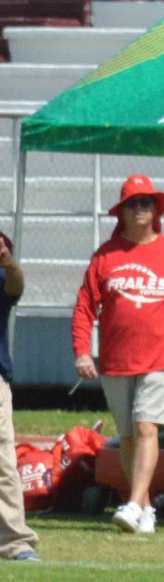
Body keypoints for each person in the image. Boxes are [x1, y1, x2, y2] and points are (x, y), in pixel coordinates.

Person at [71, 175, 164, 536]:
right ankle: (145, 507)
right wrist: (82, 352)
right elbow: (83, 308)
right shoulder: (105, 256)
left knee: (145, 428)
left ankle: (132, 501)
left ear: (156, 210)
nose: (140, 209)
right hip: (115, 361)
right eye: (133, 203)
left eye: (146, 203)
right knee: (127, 436)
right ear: (121, 212)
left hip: (159, 360)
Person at [0, 228, 40, 561]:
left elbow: (16, 287)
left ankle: (14, 541)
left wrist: (10, 264)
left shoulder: (4, 274)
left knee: (3, 463)